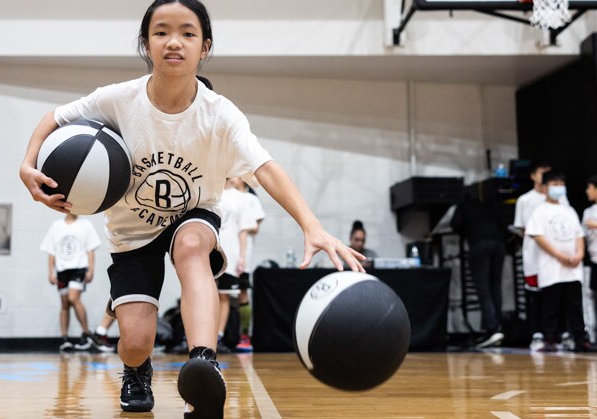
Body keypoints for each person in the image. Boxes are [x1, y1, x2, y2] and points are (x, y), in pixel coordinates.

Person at [19, 0, 364, 415]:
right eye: (161, 32)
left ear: (205, 47)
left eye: (187, 33)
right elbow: (54, 117)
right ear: (146, 43)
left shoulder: (221, 114)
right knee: (135, 342)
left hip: (195, 212)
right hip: (131, 227)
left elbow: (265, 168)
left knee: (191, 247)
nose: (173, 42)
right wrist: (27, 164)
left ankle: (203, 364)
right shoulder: (118, 99)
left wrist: (311, 225)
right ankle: (136, 369)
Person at [526, 170, 593, 352]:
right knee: (551, 305)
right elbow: (537, 236)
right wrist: (559, 255)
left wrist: (579, 254)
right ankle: (550, 338)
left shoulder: (568, 210)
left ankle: (580, 338)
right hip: (552, 266)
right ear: (545, 188)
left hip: (573, 267)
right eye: (555, 185)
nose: (559, 188)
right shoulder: (539, 211)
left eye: (561, 185)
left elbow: (579, 234)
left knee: (575, 305)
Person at [513, 160, 570, 351]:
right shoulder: (525, 200)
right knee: (536, 295)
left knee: (558, 295)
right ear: (533, 176)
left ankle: (558, 333)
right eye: (542, 174)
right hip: (535, 255)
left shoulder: (561, 200)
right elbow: (523, 229)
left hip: (558, 255)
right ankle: (537, 333)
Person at [450, 191, 506, 348]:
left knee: (483, 288)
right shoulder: (489, 206)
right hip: (499, 244)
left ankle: (492, 328)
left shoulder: (463, 206)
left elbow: (455, 224)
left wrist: (467, 232)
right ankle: (497, 327)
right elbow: (503, 225)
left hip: (479, 244)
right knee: (495, 286)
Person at [40, 213, 102, 352]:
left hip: (79, 268)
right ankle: (65, 339)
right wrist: (51, 272)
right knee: (65, 304)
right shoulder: (56, 226)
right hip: (62, 270)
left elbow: (90, 250)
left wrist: (91, 270)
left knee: (73, 298)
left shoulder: (86, 224)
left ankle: (86, 333)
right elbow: (51, 251)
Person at [215, 178, 257, 354]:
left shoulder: (242, 198)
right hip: (208, 252)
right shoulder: (211, 192)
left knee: (224, 296)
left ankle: (219, 336)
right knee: (206, 295)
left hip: (230, 256)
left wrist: (242, 257)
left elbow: (245, 230)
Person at [235, 181, 265, 352]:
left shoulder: (251, 199)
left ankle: (245, 335)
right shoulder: (225, 196)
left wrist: (240, 224)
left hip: (243, 254)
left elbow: (255, 227)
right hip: (225, 251)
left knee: (243, 292)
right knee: (219, 294)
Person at [582, 175, 597, 339]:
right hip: (593, 260)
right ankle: (591, 335)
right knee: (591, 298)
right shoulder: (588, 212)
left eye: (590, 188)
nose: (587, 191)